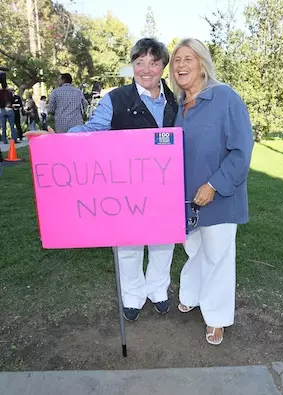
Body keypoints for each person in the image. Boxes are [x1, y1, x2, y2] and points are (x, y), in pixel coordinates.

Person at [25, 38, 178, 322]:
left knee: (162, 241)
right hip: (125, 187)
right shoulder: (115, 99)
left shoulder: (175, 101)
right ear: (132, 65)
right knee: (129, 244)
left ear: (162, 67)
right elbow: (92, 130)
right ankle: (132, 296)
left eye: (153, 63)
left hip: (163, 188)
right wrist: (56, 140)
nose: (146, 69)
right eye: (139, 62)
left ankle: (158, 289)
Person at [169, 38, 254, 345]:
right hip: (185, 200)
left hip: (219, 197)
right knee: (194, 251)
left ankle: (216, 317)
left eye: (188, 59)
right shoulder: (177, 105)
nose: (181, 65)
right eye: (176, 60)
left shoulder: (224, 97)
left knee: (217, 256)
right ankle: (192, 293)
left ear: (202, 64)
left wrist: (214, 184)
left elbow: (241, 150)